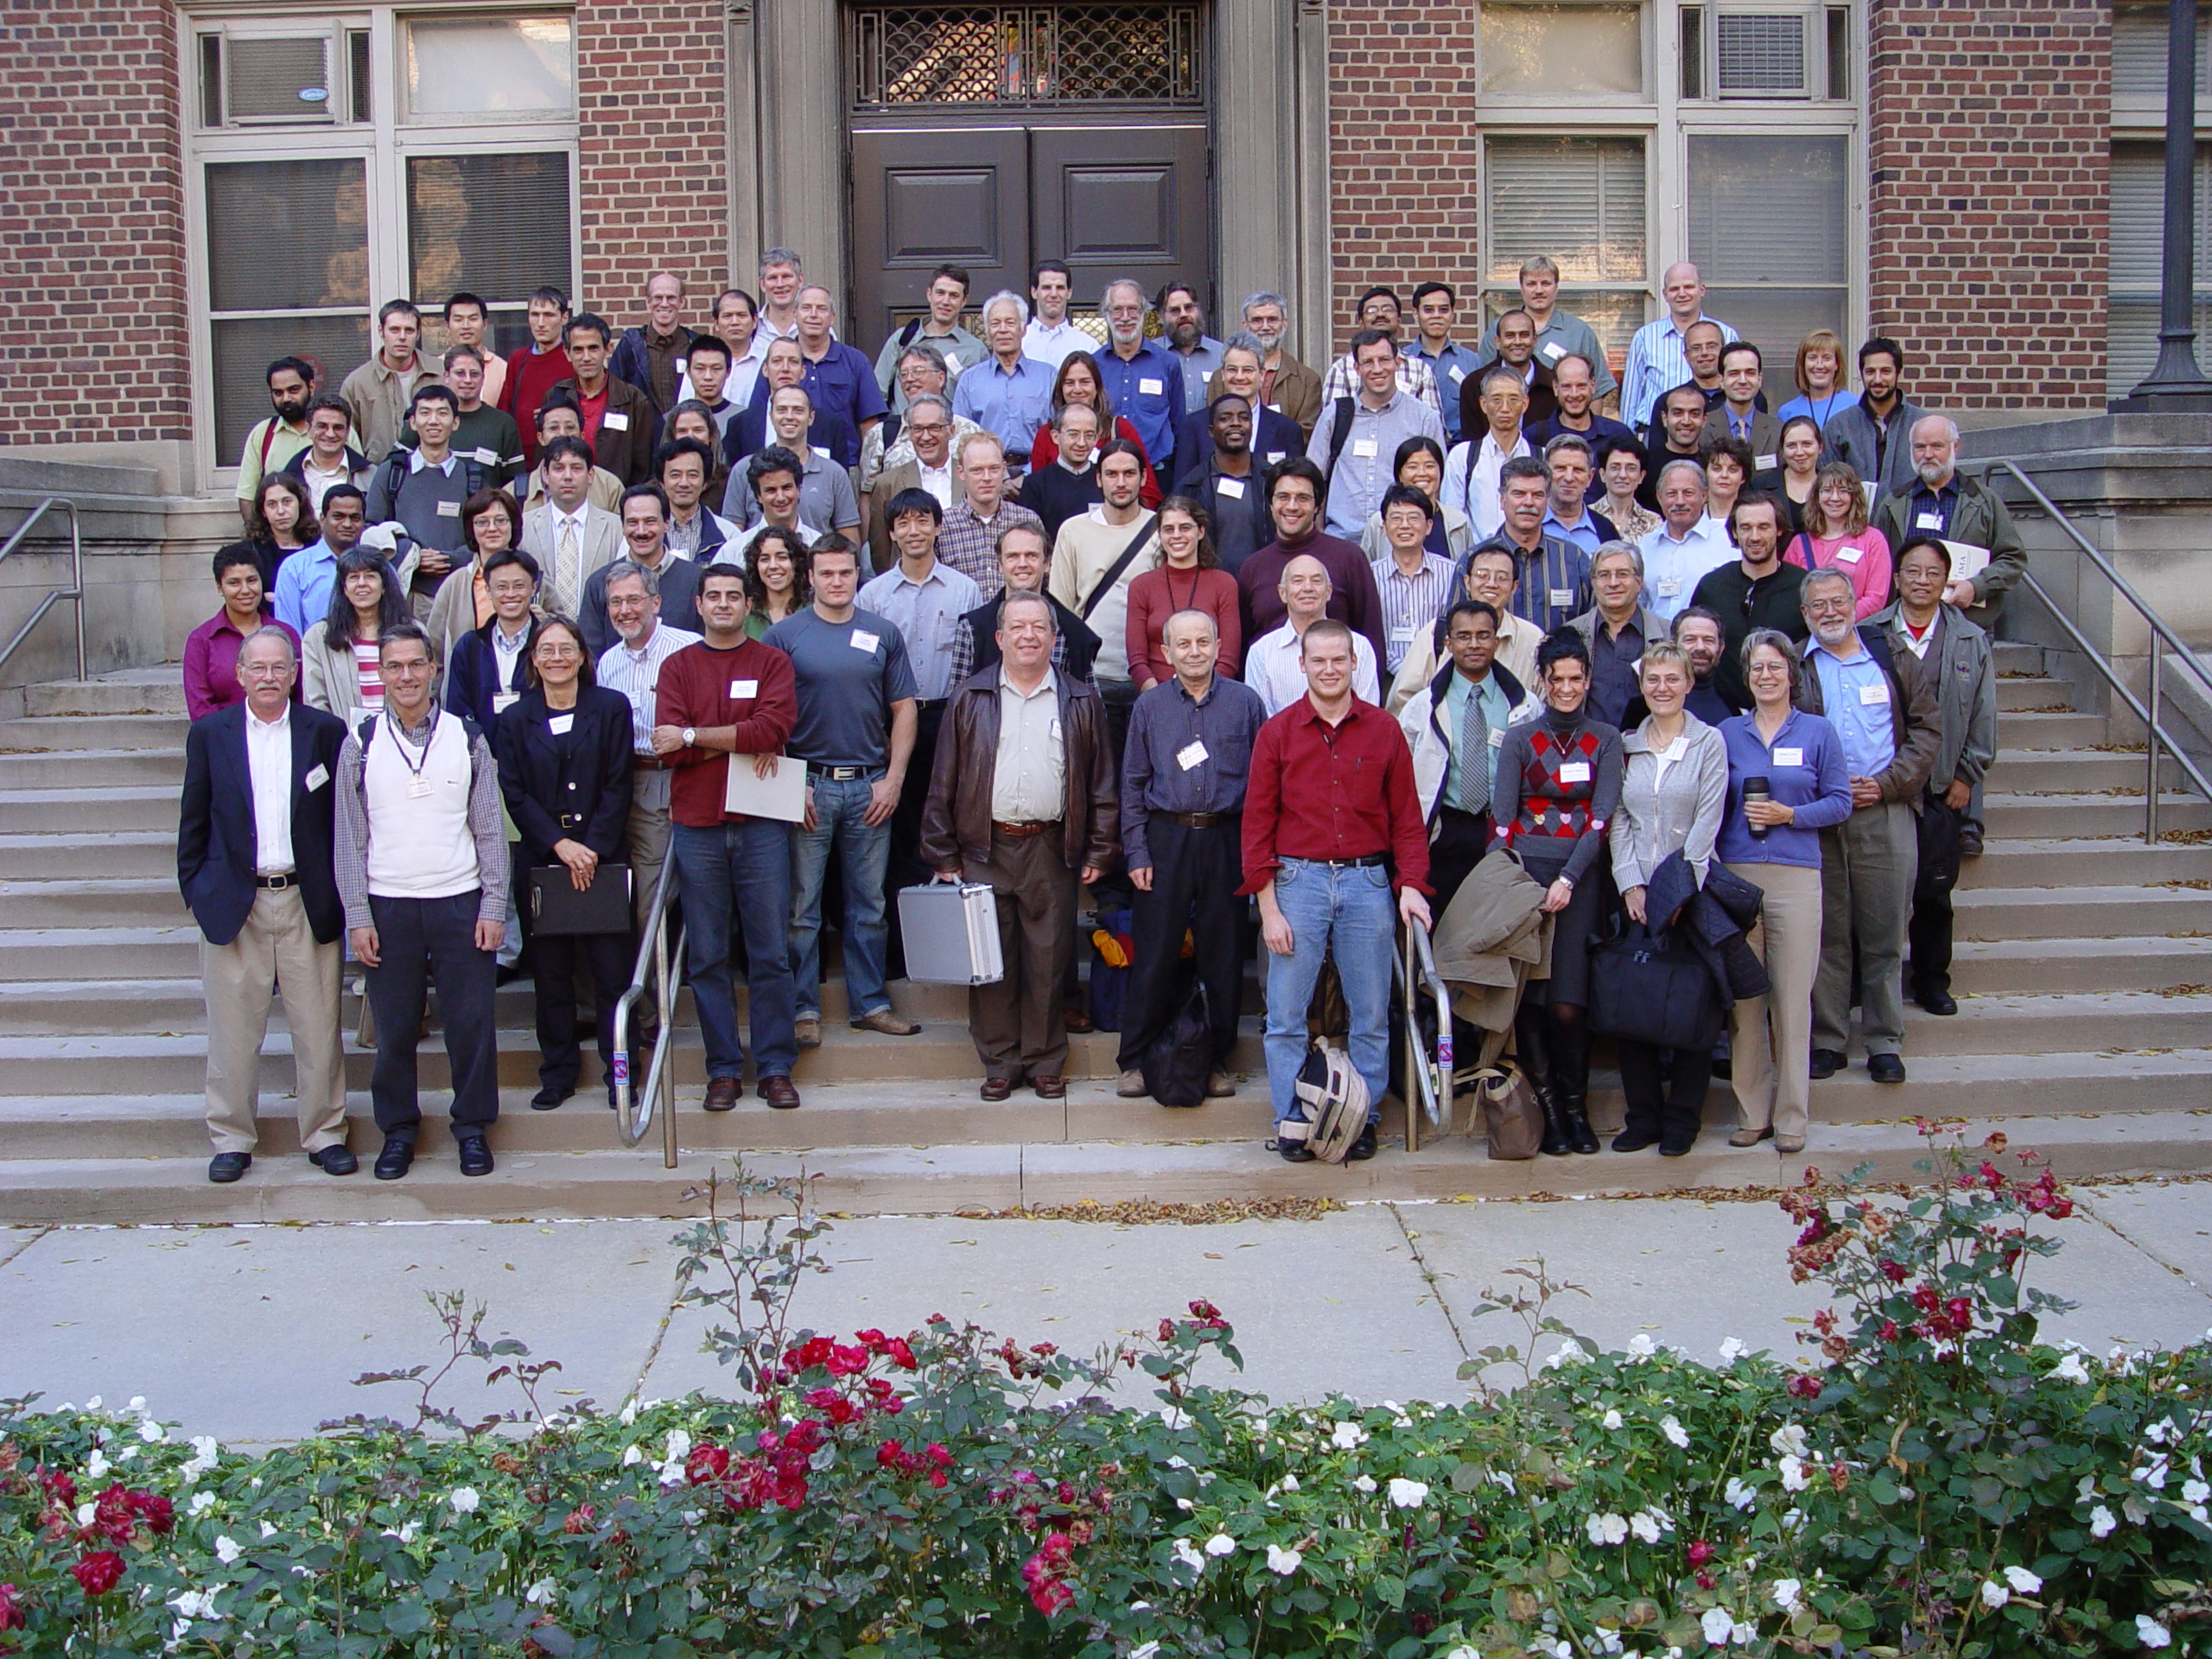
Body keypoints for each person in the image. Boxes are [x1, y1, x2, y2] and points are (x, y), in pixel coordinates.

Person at [1243, 617, 1431, 1162]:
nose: (1329, 669)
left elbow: (1407, 821)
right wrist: (1268, 906)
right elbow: (1256, 825)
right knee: (1285, 1014)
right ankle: (1292, 1120)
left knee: (1370, 1013)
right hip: (1297, 880)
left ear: (1355, 664)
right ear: (1301, 665)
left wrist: (1412, 884)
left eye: (1339, 659)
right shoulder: (1276, 732)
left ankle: (1361, 1117)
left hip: (1367, 881)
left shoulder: (1383, 731)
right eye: (1318, 660)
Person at [921, 590, 1117, 1100]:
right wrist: (942, 853)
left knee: (1049, 960)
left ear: (1054, 639)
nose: (1029, 636)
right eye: (1018, 627)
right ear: (1000, 638)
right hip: (984, 848)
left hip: (1051, 847)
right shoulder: (971, 696)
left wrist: (1098, 850)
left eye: (1039, 627)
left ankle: (1045, 1058)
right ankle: (1001, 1061)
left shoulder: (1079, 698)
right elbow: (944, 778)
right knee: (991, 961)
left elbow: (1101, 785)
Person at [178, 626, 353, 1184]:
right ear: (240, 675)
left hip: (305, 898)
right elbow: (194, 825)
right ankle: (232, 1137)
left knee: (318, 1026)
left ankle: (325, 1133)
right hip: (237, 901)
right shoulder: (212, 734)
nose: (270, 678)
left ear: (294, 673)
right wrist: (199, 893)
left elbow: (343, 821)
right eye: (258, 668)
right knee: (231, 1031)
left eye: (280, 667)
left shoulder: (325, 732)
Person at [336, 621, 507, 1181]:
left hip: (459, 900)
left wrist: (492, 904)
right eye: (394, 666)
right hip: (389, 907)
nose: (405, 676)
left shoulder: (469, 737)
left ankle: (472, 1128)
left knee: (471, 1023)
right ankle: (399, 1131)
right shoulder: (359, 740)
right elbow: (349, 837)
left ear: (434, 669)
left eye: (416, 665)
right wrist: (357, 915)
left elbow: (488, 830)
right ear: (380, 673)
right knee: (393, 1027)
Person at [653, 563, 803, 1111]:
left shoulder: (771, 661)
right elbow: (668, 746)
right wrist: (737, 738)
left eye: (733, 596)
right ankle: (722, 1070)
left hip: (761, 824)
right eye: (713, 596)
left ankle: (775, 1067)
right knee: (708, 955)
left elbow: (774, 729)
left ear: (748, 605)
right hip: (696, 826)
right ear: (697, 605)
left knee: (769, 951)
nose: (723, 604)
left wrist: (695, 733)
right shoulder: (678, 666)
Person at [769, 537, 922, 1046]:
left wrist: (894, 778)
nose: (837, 581)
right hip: (808, 785)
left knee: (869, 904)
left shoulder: (882, 633)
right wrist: (792, 785)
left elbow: (904, 707)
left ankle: (871, 1002)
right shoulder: (784, 636)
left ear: (857, 575)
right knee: (801, 908)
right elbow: (769, 718)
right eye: (826, 573)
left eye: (845, 573)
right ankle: (801, 1008)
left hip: (868, 788)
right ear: (808, 577)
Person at [1794, 567, 1940, 1086]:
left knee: (1883, 932)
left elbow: (1927, 729)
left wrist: (1888, 783)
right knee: (1829, 934)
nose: (1829, 612)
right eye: (1818, 605)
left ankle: (1884, 1040)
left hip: (1885, 809)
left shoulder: (1894, 658)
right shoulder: (1796, 666)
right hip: (1821, 820)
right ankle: (1830, 1040)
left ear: (1856, 603)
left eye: (1838, 602)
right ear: (1805, 614)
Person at [1115, 608, 1266, 1099]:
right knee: (1154, 953)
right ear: (1166, 652)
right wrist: (1136, 852)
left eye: (1203, 642)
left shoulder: (1245, 703)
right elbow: (1133, 783)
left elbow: (1263, 784)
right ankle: (1135, 1059)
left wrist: (1256, 853)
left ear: (1219, 645)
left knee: (1221, 956)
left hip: (1226, 838)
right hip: (1166, 838)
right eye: (1184, 644)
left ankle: (1214, 1060)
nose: (1194, 651)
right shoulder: (1150, 707)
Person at [1717, 632, 1853, 1153]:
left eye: (1775, 667)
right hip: (1738, 876)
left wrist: (1790, 814)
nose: (1766, 677)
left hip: (1797, 875)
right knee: (1746, 1002)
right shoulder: (1728, 732)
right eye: (1756, 669)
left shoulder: (1817, 732)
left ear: (1791, 674)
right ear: (1747, 677)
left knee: (1793, 1001)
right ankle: (1753, 1113)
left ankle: (1792, 1118)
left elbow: (1841, 802)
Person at [493, 615, 635, 1109]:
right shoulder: (514, 719)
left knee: (612, 976)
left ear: (581, 656)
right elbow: (513, 792)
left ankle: (622, 1073)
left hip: (604, 858)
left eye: (565, 648)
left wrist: (591, 845)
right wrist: (560, 845)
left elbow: (619, 784)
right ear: (533, 660)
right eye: (546, 649)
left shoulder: (611, 708)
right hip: (543, 862)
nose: (556, 658)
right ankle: (557, 1073)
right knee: (550, 977)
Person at [1490, 631, 1623, 1157]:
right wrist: (1519, 880)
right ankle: (1547, 1111)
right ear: (1541, 681)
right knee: (1534, 1001)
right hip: (1525, 879)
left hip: (1581, 880)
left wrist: (1569, 878)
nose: (1566, 688)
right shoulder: (1520, 738)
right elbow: (1503, 818)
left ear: (1588, 681)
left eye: (1576, 679)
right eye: (1556, 679)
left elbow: (1602, 817)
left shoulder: (1605, 738)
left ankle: (1575, 1106)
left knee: (1568, 1002)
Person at [1608, 641, 1730, 1156]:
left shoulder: (1709, 743)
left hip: (1689, 894)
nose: (1663, 688)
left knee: (1690, 1009)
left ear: (1689, 683)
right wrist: (1630, 881)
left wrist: (1676, 890)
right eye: (1653, 679)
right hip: (1636, 896)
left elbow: (1708, 818)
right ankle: (1643, 1117)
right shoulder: (1627, 745)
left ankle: (1683, 1118)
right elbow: (1617, 817)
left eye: (1672, 679)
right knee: (1633, 1006)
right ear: (1643, 686)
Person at [1876, 537, 1996, 1018]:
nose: (1921, 581)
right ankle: (1870, 982)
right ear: (1897, 577)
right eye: (1912, 571)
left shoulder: (1970, 639)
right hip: (1882, 786)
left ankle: (1931, 979)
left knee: (1934, 891)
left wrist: (1968, 774)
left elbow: (1984, 713)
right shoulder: (1870, 632)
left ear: (1946, 581)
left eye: (1932, 573)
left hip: (1942, 785)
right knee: (1877, 892)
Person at [861, 486, 985, 911]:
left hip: (946, 718)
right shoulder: (873, 595)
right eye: (903, 523)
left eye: (922, 520)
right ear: (892, 533)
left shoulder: (965, 590)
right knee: (897, 825)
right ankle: (897, 942)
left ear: (937, 526)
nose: (914, 531)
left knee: (946, 820)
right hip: (888, 722)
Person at [1400, 598, 1535, 908]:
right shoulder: (1422, 707)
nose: (1474, 644)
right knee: (1442, 928)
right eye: (1463, 636)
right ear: (1449, 643)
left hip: (1503, 829)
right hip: (1445, 831)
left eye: (1483, 635)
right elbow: (1402, 778)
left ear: (1496, 640)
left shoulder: (1524, 706)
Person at [596, 559, 700, 934]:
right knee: (644, 888)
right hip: (627, 780)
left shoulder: (689, 649)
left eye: (633, 600)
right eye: (615, 602)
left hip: (680, 774)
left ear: (656, 602)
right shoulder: (607, 663)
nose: (624, 611)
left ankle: (662, 982)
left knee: (660, 892)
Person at [1868, 416, 2027, 623]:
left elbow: (2013, 558)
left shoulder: (1984, 502)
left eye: (1937, 446)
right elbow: (1877, 564)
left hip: (1967, 623)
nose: (1928, 455)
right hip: (1905, 625)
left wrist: (1977, 586)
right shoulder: (1893, 504)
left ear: (1956, 446)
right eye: (1920, 447)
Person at [1047, 440, 1157, 740]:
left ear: (1144, 478)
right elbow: (1060, 608)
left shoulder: (1163, 529)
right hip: (1092, 674)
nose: (1120, 483)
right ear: (1098, 479)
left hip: (1149, 677)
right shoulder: (1072, 530)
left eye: (1129, 473)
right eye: (1111, 474)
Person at [1237, 458, 1386, 666]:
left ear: (1317, 506)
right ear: (1270, 503)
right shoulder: (1253, 567)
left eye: (1303, 498)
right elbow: (1244, 646)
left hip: (1337, 688)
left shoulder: (1350, 558)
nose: (1292, 506)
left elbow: (1372, 639)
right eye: (1283, 497)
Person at [1309, 329, 1446, 539]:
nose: (1377, 369)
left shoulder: (1424, 418)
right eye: (1368, 362)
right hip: (1342, 540)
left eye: (1384, 360)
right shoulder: (1335, 416)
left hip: (1400, 542)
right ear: (1357, 368)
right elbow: (1313, 479)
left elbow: (1437, 486)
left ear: (1397, 362)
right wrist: (1318, 534)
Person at [1382, 539, 1544, 715]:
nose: (1491, 584)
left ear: (1514, 587)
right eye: (1482, 575)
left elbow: (1542, 705)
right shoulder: (1437, 632)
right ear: (1467, 582)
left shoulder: (1532, 638)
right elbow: (1403, 699)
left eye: (1501, 578)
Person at [364, 384, 489, 610]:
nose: (433, 421)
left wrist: (450, 559)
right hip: (406, 594)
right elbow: (370, 530)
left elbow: (488, 535)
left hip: (461, 593)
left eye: (442, 413)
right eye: (425, 412)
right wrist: (413, 557)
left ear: (455, 423)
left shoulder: (473, 477)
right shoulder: (392, 472)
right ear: (413, 422)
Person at [1688, 495, 1809, 709]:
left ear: (1778, 530)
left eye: (1764, 527)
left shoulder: (1802, 587)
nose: (1755, 536)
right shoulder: (1712, 587)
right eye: (1746, 527)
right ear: (1735, 532)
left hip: (1789, 711)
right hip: (1722, 713)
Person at [950, 521, 1102, 688]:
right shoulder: (971, 629)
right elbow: (958, 705)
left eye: (1031, 555)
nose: (1022, 564)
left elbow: (1090, 707)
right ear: (1000, 565)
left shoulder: (1072, 631)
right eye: (1012, 556)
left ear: (1046, 564)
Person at [1123, 495, 1241, 694]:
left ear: (1201, 531)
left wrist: (1205, 696)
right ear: (1159, 535)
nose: (1177, 535)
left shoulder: (1224, 583)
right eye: (1169, 529)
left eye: (1185, 528)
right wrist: (1161, 698)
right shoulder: (1141, 586)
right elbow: (1137, 660)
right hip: (1157, 697)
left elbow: (1228, 658)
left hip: (1213, 697)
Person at [1243, 553, 1382, 715]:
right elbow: (1263, 723)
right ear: (1282, 593)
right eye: (1297, 581)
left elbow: (1368, 716)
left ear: (1329, 591)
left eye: (1316, 580)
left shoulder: (1360, 647)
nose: (1307, 588)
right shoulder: (1261, 652)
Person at [578, 485, 705, 657]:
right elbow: (590, 655)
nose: (641, 531)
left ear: (666, 524)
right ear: (622, 527)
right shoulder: (599, 582)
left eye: (650, 521)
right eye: (632, 522)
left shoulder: (696, 580)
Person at [1469, 455, 1590, 636]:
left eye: (1537, 495)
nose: (1528, 502)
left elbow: (1592, 625)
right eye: (1518, 494)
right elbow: (1458, 626)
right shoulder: (1474, 559)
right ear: (1502, 500)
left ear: (1547, 501)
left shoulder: (1574, 558)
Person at [724, 385, 861, 540]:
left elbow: (848, 536)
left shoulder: (834, 473)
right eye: (781, 410)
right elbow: (732, 532)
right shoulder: (743, 469)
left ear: (811, 417)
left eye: (798, 410)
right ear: (771, 416)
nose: (789, 416)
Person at [1027, 351, 1164, 504]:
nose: (1077, 389)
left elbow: (1149, 490)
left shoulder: (1120, 429)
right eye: (1069, 383)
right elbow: (1037, 490)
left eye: (1085, 382)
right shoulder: (1046, 434)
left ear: (1097, 386)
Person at [185, 548, 302, 723]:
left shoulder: (286, 635)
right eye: (234, 583)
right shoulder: (201, 640)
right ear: (219, 587)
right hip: (223, 739)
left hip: (282, 733)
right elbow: (199, 707)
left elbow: (299, 694)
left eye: (252, 580)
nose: (245, 590)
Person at [1564, 540, 1670, 730]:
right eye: (1604, 575)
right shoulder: (1570, 635)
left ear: (1639, 581)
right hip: (1587, 746)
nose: (1613, 583)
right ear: (1594, 583)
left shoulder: (1667, 635)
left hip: (1649, 747)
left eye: (1622, 574)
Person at [1481, 256, 1618, 401]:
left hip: (1563, 421)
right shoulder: (1498, 329)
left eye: (1546, 283)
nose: (1539, 290)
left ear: (1556, 287)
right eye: (1531, 284)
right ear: (1521, 288)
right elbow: (1481, 381)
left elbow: (1597, 392)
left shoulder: (1579, 332)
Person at [1619, 264, 1735, 429]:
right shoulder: (1645, 337)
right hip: (1658, 433)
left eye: (1688, 287)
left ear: (1702, 290)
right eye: (1674, 289)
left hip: (1717, 432)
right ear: (1665, 294)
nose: (1682, 294)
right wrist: (1626, 441)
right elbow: (1631, 395)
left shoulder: (1727, 334)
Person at [520, 435, 625, 620]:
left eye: (576, 468)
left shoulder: (616, 527)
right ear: (545, 475)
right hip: (540, 636)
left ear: (590, 475)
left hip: (599, 637)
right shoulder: (523, 527)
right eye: (558, 468)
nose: (567, 476)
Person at [1174, 336, 1303, 485]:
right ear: (1222, 374)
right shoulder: (1194, 426)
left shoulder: (1287, 431)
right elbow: (1182, 491)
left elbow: (1293, 488)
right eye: (1232, 369)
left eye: (1248, 370)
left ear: (1261, 375)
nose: (1239, 377)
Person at [1091, 278, 1184, 486]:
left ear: (1143, 313)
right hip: (1106, 476)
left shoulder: (1167, 364)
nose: (1125, 318)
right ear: (1106, 314)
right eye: (1117, 310)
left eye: (1132, 309)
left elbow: (1178, 425)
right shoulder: (1094, 366)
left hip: (1157, 474)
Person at [442, 546, 541, 734]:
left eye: (519, 586)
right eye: (501, 587)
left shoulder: (548, 645)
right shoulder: (470, 646)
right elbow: (458, 711)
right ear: (488, 591)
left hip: (538, 758)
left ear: (534, 588)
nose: (510, 594)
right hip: (482, 757)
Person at [302, 547, 410, 718]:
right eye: (353, 577)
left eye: (370, 576)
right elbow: (315, 700)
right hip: (341, 740)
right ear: (344, 589)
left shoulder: (411, 632)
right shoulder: (318, 637)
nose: (361, 583)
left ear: (384, 586)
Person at [952, 291, 1057, 468]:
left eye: (1010, 322)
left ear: (1023, 329)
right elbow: (960, 441)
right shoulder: (970, 381)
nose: (1002, 330)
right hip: (987, 475)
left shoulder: (1048, 376)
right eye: (995, 323)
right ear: (987, 330)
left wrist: (1029, 475)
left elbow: (1059, 433)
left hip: (1039, 472)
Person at [936, 431, 1047, 594]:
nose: (986, 478)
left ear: (1003, 470)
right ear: (961, 472)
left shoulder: (1028, 520)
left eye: (993, 469)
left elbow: (1044, 581)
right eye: (977, 470)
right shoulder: (943, 526)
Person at [554, 313, 657, 485]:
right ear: (567, 353)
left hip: (618, 500)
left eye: (593, 348)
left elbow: (644, 468)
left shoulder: (633, 400)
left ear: (607, 349)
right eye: (578, 349)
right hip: (566, 497)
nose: (586, 358)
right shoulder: (556, 395)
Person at [1783, 460, 1891, 622]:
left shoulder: (1873, 540)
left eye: (1843, 491)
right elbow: (1788, 595)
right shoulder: (1799, 544)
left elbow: (1876, 598)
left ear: (1854, 496)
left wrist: (1839, 620)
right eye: (1827, 490)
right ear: (1817, 496)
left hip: (1858, 631)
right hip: (1811, 633)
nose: (1834, 498)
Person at [1364, 485, 1455, 677]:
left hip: (1439, 675)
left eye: (1413, 518)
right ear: (1384, 525)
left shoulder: (1451, 573)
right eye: (1396, 518)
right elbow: (1367, 632)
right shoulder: (1369, 576)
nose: (1404, 525)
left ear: (1429, 526)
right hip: (1385, 676)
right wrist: (1400, 669)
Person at [868, 387, 968, 561]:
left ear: (951, 431)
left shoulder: (969, 477)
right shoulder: (888, 483)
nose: (926, 437)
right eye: (918, 429)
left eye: (934, 428)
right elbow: (881, 553)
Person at [1820, 337, 1926, 499]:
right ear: (1861, 374)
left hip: (1906, 521)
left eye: (1885, 371)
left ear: (1898, 372)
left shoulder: (1922, 424)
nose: (1877, 379)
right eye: (1870, 372)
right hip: (1853, 522)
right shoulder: (1839, 426)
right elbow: (1826, 485)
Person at [794, 285, 887, 470]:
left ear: (832, 318)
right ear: (794, 315)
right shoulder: (780, 360)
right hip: (787, 468)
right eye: (806, 308)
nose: (813, 314)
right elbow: (761, 415)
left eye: (821, 309)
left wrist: (867, 482)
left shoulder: (855, 361)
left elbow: (869, 427)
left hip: (845, 467)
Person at [428, 486, 525, 662]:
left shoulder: (536, 579)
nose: (492, 528)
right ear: (471, 528)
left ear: (513, 524)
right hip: (470, 683)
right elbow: (434, 649)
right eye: (482, 522)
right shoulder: (455, 584)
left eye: (500, 520)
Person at [1319, 286, 1446, 418]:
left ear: (1399, 320)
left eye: (1387, 309)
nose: (1380, 314)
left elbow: (1433, 427)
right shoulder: (1341, 370)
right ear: (1361, 322)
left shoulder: (1420, 370)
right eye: (1371, 310)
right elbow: (1332, 426)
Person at [341, 300, 443, 462]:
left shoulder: (441, 373)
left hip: (436, 470)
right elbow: (346, 439)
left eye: (409, 330)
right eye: (394, 330)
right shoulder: (357, 383)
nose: (402, 337)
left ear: (418, 334)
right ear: (381, 331)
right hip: (378, 474)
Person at [1441, 365, 1531, 539]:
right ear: (1483, 404)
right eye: (1496, 399)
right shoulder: (1462, 457)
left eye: (1513, 399)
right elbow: (1453, 521)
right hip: (1477, 559)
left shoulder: (1539, 457)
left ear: (1525, 404)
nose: (1505, 408)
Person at [1638, 460, 1734, 623]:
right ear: (1659, 497)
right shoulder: (1645, 547)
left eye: (1688, 493)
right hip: (1656, 644)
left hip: (1704, 643)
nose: (1680, 501)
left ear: (1704, 495)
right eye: (1671, 494)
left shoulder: (1727, 543)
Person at [873, 262, 983, 402]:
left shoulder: (975, 350)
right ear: (929, 294)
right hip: (903, 422)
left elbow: (978, 403)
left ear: (964, 301)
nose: (945, 301)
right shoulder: (902, 339)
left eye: (954, 295)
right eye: (940, 293)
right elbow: (876, 395)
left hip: (949, 423)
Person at [1359, 435, 1473, 566]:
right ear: (1399, 475)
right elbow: (1365, 573)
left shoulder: (1458, 521)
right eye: (1412, 467)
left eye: (1429, 466)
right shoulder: (1379, 522)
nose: (1422, 473)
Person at [1622, 607, 1743, 728]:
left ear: (1721, 648)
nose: (1700, 647)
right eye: (1690, 639)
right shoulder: (1643, 706)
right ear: (1673, 645)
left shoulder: (1733, 708)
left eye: (1708, 640)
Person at [273, 484, 368, 638]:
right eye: (338, 516)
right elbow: (290, 634)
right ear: (323, 520)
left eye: (355, 518)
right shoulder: (295, 568)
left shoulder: (379, 566)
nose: (347, 524)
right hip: (315, 659)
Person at [215, 472, 315, 613]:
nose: (281, 511)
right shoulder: (251, 552)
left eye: (287, 502)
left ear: (299, 503)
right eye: (272, 504)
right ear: (263, 511)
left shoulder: (316, 547)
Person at [498, 285, 574, 468]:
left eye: (548, 315)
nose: (540, 323)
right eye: (535, 314)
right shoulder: (518, 359)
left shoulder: (573, 359)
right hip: (519, 460)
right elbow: (504, 411)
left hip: (562, 459)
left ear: (564, 318)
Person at [235, 357, 315, 524]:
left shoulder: (336, 432)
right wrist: (260, 538)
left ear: (311, 388)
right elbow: (247, 496)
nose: (286, 398)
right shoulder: (262, 434)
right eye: (278, 392)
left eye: (293, 390)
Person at [1014, 401, 1106, 545]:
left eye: (1089, 435)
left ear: (1096, 438)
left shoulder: (1106, 480)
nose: (1081, 443)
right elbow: (1030, 539)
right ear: (1055, 436)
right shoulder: (1036, 484)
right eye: (1073, 434)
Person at [1235, 289, 1325, 438]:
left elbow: (1306, 435)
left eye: (1272, 319)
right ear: (1245, 325)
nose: (1265, 327)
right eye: (1257, 320)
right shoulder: (1221, 377)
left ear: (1284, 324)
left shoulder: (1308, 380)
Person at [607, 272, 696, 419]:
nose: (664, 303)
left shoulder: (695, 345)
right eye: (658, 297)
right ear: (648, 302)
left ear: (682, 302)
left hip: (686, 432)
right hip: (644, 435)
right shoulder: (631, 345)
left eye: (671, 297)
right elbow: (614, 394)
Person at [1406, 281, 1484, 445]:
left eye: (1443, 309)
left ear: (1452, 313)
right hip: (1414, 450)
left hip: (1462, 448)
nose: (1436, 315)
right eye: (1428, 310)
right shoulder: (1403, 361)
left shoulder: (1471, 361)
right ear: (1415, 313)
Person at [438, 344, 525, 486]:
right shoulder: (430, 421)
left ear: (483, 378)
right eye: (460, 373)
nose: (467, 380)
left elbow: (516, 484)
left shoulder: (503, 424)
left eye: (474, 374)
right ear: (446, 377)